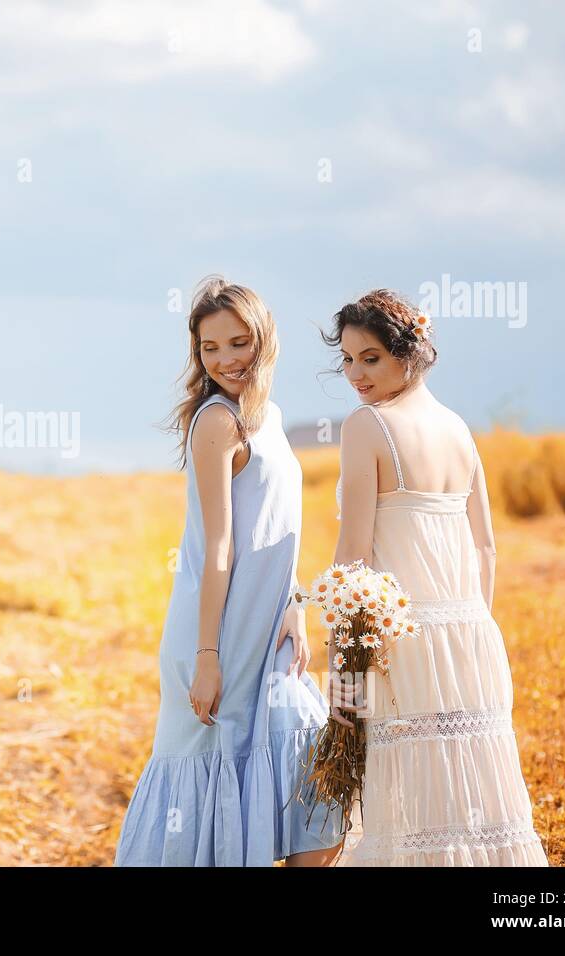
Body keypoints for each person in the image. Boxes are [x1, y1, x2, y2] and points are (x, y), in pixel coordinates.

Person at [114, 276, 343, 866]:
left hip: (267, 623)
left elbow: (269, 526)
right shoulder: (218, 423)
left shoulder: (268, 416)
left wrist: (293, 601)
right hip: (217, 631)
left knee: (315, 783)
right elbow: (220, 547)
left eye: (237, 343)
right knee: (208, 796)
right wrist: (206, 658)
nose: (223, 361)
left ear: (264, 340)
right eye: (209, 349)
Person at [323, 289, 549, 866]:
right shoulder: (458, 428)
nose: (355, 374)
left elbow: (353, 557)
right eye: (347, 359)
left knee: (406, 805)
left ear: (409, 352)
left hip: (401, 643)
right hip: (470, 635)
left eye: (369, 358)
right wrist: (471, 633)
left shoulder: (365, 426)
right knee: (470, 802)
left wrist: (342, 666)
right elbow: (487, 548)